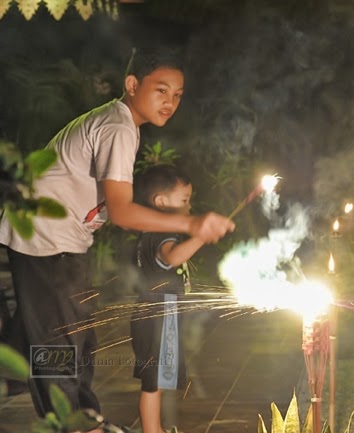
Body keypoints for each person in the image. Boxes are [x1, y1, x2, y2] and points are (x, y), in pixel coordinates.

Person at [0, 47, 234, 431]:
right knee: (59, 345)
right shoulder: (118, 127)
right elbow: (123, 211)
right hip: (45, 238)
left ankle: (86, 420)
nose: (170, 102)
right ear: (132, 84)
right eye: (161, 90)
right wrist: (193, 224)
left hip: (58, 238)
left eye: (177, 95)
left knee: (66, 339)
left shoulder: (122, 125)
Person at [130, 164, 203, 433]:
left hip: (154, 312)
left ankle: (156, 428)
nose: (189, 206)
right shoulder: (161, 233)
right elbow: (171, 256)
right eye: (184, 200)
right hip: (159, 313)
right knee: (153, 381)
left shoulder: (147, 231)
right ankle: (152, 430)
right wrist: (201, 236)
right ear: (160, 202)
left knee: (157, 379)